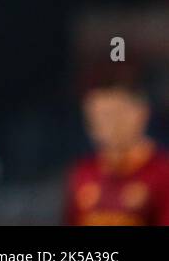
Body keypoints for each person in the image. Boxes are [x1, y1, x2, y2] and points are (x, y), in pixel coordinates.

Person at [64, 69, 169, 225]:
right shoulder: (83, 173)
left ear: (140, 113)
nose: (103, 126)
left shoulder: (163, 173)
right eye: (94, 117)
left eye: (111, 115)